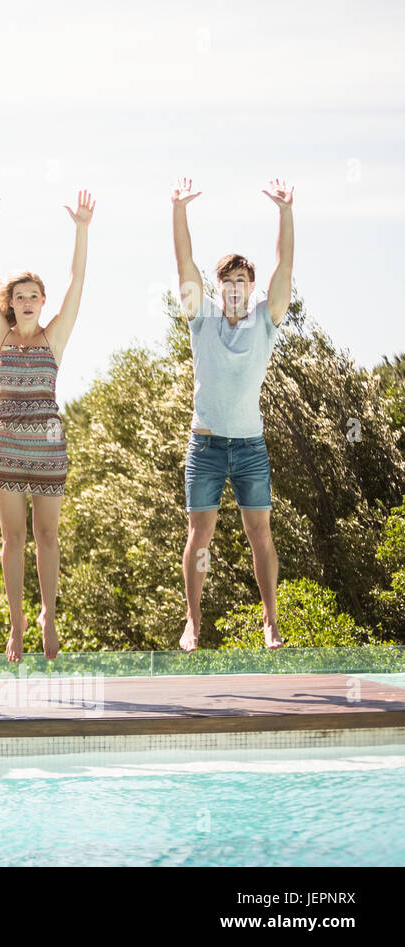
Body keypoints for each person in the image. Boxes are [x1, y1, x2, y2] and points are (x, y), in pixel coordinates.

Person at [0, 187, 93, 663]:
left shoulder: (55, 336)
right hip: (6, 443)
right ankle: (17, 625)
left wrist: (81, 229)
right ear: (10, 302)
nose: (27, 301)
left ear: (42, 301)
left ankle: (49, 616)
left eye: (34, 295)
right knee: (12, 538)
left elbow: (77, 282)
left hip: (48, 443)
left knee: (48, 536)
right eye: (20, 295)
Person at [173, 177, 293, 651]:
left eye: (244, 281)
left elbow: (285, 267)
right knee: (198, 534)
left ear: (252, 287)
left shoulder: (266, 318)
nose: (236, 288)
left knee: (259, 532)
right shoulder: (200, 318)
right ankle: (193, 623)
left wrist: (286, 213)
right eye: (228, 282)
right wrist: (178, 210)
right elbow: (183, 264)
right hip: (204, 444)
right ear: (220, 288)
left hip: (249, 447)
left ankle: (271, 622)